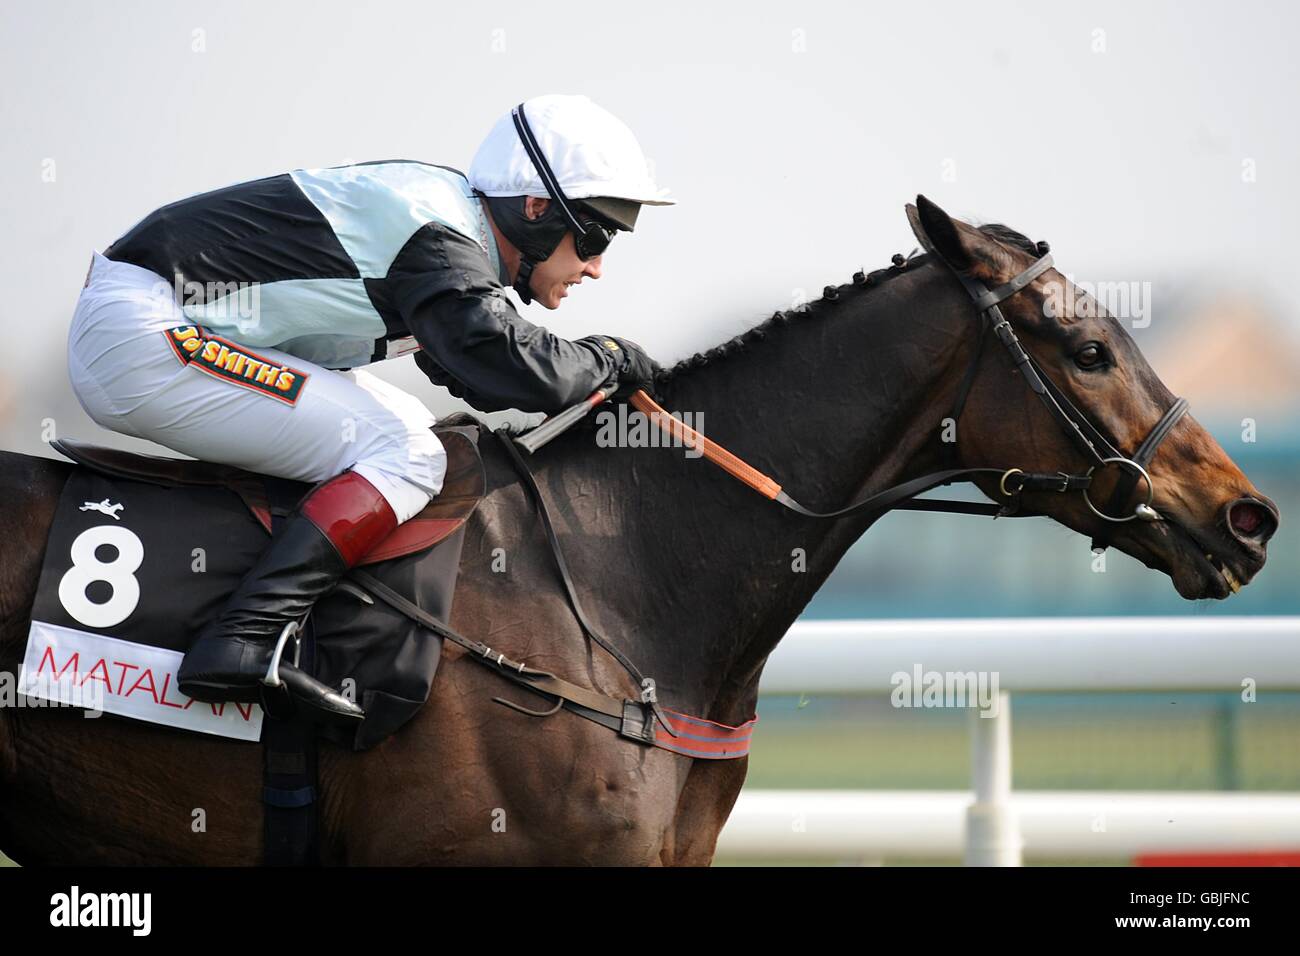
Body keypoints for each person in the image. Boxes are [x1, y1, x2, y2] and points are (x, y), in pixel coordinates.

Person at [65, 94, 671, 726]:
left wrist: (599, 381)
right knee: (406, 451)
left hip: (161, 319)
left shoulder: (450, 241)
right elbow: (515, 365)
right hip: (144, 330)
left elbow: (488, 382)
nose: (597, 267)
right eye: (594, 236)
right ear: (536, 208)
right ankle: (244, 636)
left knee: (416, 436)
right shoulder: (437, 235)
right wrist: (611, 356)